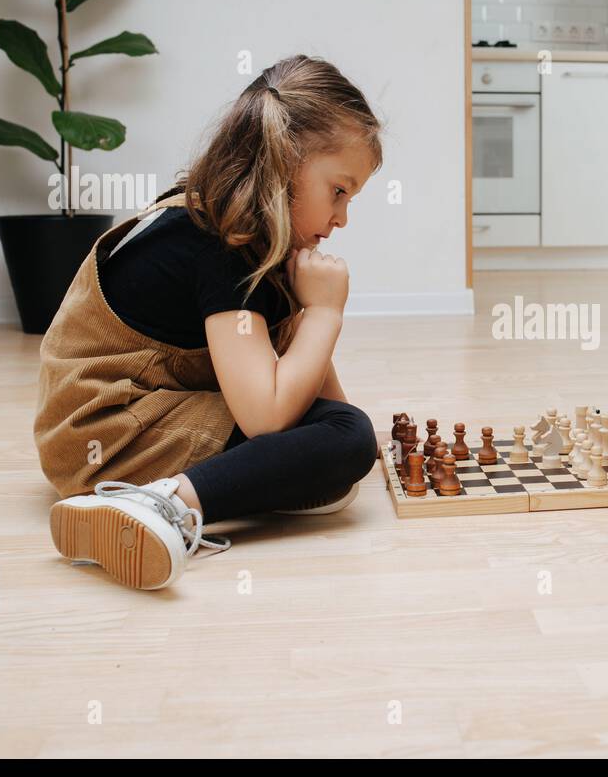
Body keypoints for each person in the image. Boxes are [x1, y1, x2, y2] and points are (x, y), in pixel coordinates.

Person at [35, 54, 381, 590]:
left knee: (343, 443)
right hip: (103, 432)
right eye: (339, 191)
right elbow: (268, 419)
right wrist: (325, 312)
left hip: (141, 410)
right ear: (285, 162)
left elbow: (313, 393)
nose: (342, 218)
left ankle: (184, 494)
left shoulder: (240, 227)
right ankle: (161, 507)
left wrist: (334, 425)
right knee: (347, 440)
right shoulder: (220, 249)